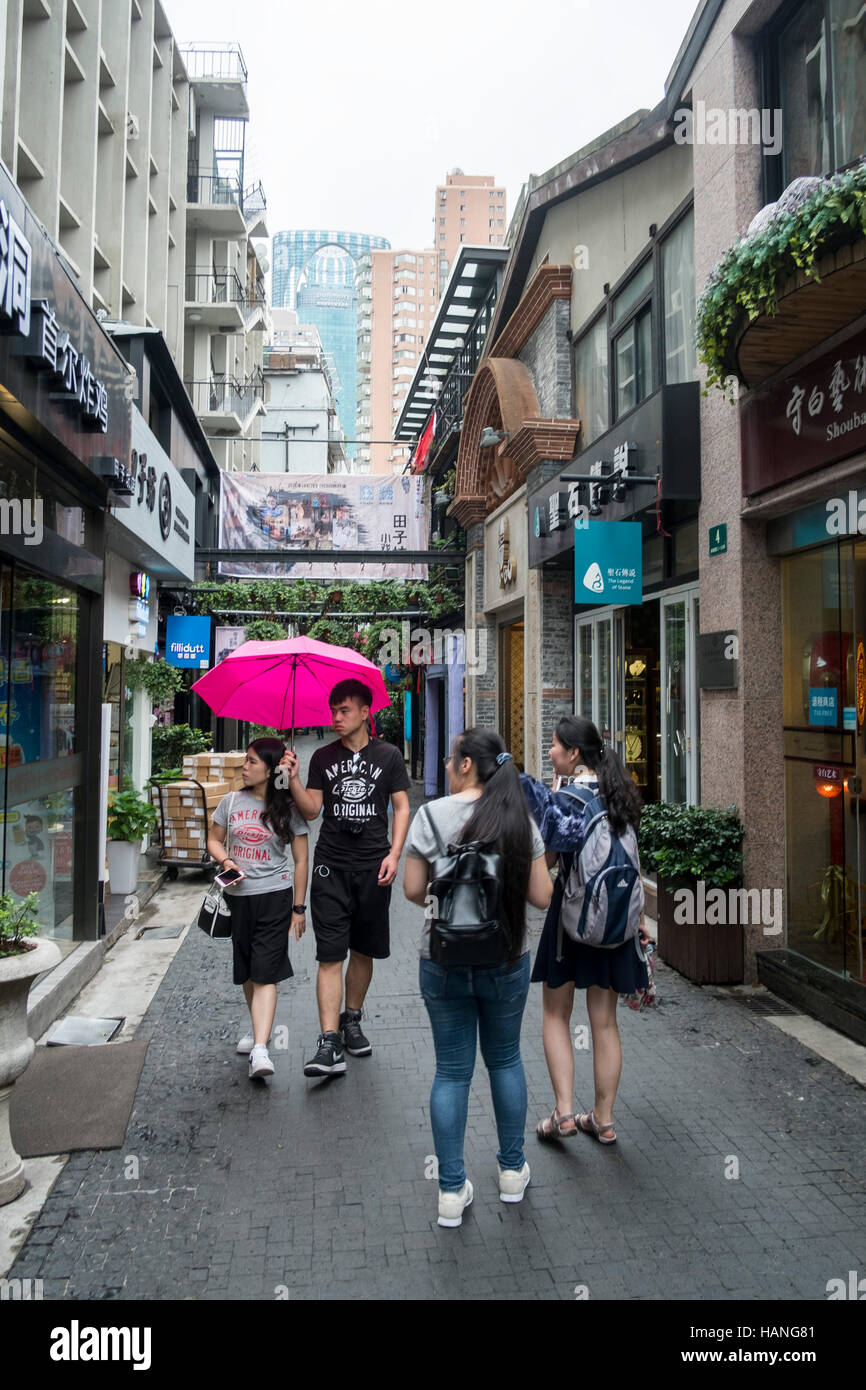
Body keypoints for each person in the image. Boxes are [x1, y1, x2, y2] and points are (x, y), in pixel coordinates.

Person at [403, 729, 553, 1229]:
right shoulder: (518, 817)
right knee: (506, 1060)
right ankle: (512, 1173)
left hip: (442, 960)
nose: (446, 766)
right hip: (506, 958)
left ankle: (450, 1190)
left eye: (450, 759)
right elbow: (542, 898)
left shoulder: (431, 815)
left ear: (466, 764)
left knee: (451, 1072)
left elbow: (411, 891)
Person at [520, 714, 649, 1144]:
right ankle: (604, 1119)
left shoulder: (570, 799)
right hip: (616, 922)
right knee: (605, 1022)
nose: (551, 751)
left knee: (556, 1014)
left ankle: (564, 1113)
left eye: (556, 745)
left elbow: (551, 863)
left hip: (571, 919)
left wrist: (546, 818)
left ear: (574, 754)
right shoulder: (620, 793)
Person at [281, 679, 410, 1078]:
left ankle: (352, 1018)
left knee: (364, 950)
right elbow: (313, 811)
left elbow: (402, 807)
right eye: (333, 710)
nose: (336, 717)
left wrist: (394, 854)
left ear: (365, 712)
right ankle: (329, 1040)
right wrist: (295, 779)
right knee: (330, 953)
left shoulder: (389, 756)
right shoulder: (321, 756)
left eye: (344, 710)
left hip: (373, 866)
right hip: (329, 867)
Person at [207, 739, 309, 1081]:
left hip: (275, 896)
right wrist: (226, 861)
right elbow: (214, 839)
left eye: (250, 761)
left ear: (269, 768)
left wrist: (299, 907)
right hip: (239, 897)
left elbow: (301, 860)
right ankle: (258, 1030)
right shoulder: (231, 801)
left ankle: (261, 1049)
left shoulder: (289, 808)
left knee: (265, 970)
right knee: (248, 969)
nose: (244, 767)